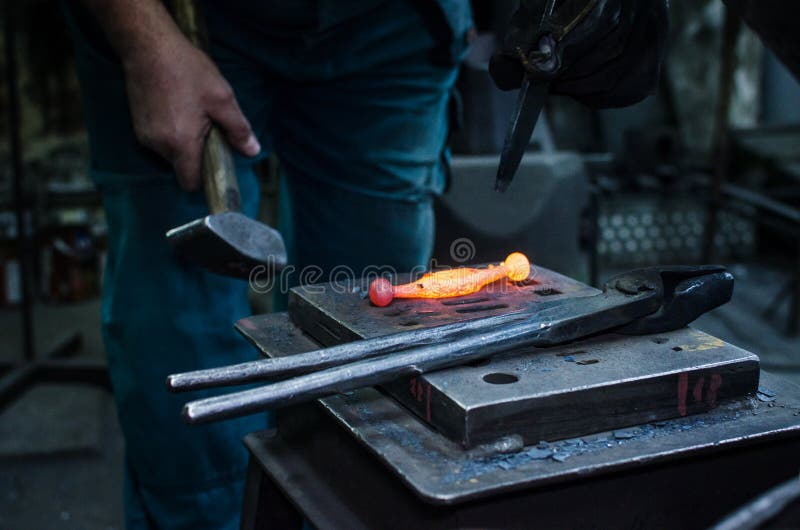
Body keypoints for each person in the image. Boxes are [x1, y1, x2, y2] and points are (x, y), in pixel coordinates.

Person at [62, 0, 667, 528]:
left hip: (392, 27)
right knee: (179, 334)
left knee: (371, 373)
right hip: (184, 20)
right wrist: (143, 38)